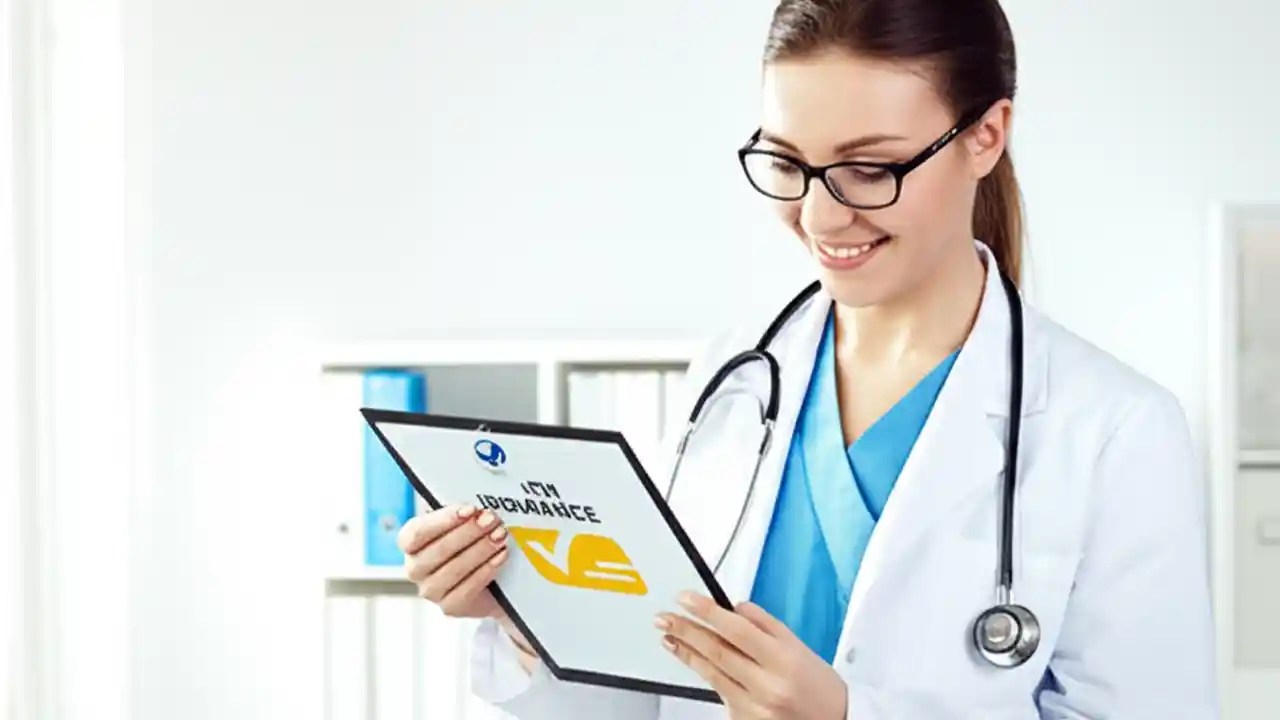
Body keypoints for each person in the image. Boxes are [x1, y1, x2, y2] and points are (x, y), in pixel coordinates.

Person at [395, 0, 1219, 717]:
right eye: (787, 164)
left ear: (987, 135)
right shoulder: (729, 382)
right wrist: (529, 618)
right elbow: (651, 693)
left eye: (869, 168)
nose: (820, 216)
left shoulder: (1114, 430)